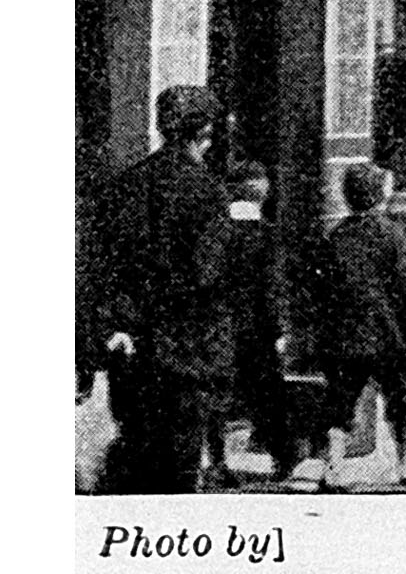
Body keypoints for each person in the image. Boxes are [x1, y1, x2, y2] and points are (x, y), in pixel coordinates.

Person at [89, 84, 232, 494]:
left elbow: (103, 266)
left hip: (131, 346)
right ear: (205, 131)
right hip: (187, 346)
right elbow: (207, 276)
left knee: (136, 451)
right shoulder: (207, 191)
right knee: (179, 465)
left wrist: (120, 323)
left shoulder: (125, 185)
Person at [294, 163, 406, 490]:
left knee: (339, 401)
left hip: (344, 334)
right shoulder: (392, 234)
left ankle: (333, 466)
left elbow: (318, 290)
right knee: (400, 396)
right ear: (379, 195)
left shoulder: (335, 237)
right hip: (386, 332)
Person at [213, 163, 299, 485]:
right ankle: (283, 460)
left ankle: (218, 461)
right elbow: (274, 287)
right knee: (268, 395)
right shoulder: (267, 233)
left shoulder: (219, 230)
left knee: (218, 395)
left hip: (221, 326)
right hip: (258, 330)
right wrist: (280, 330)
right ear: (263, 193)